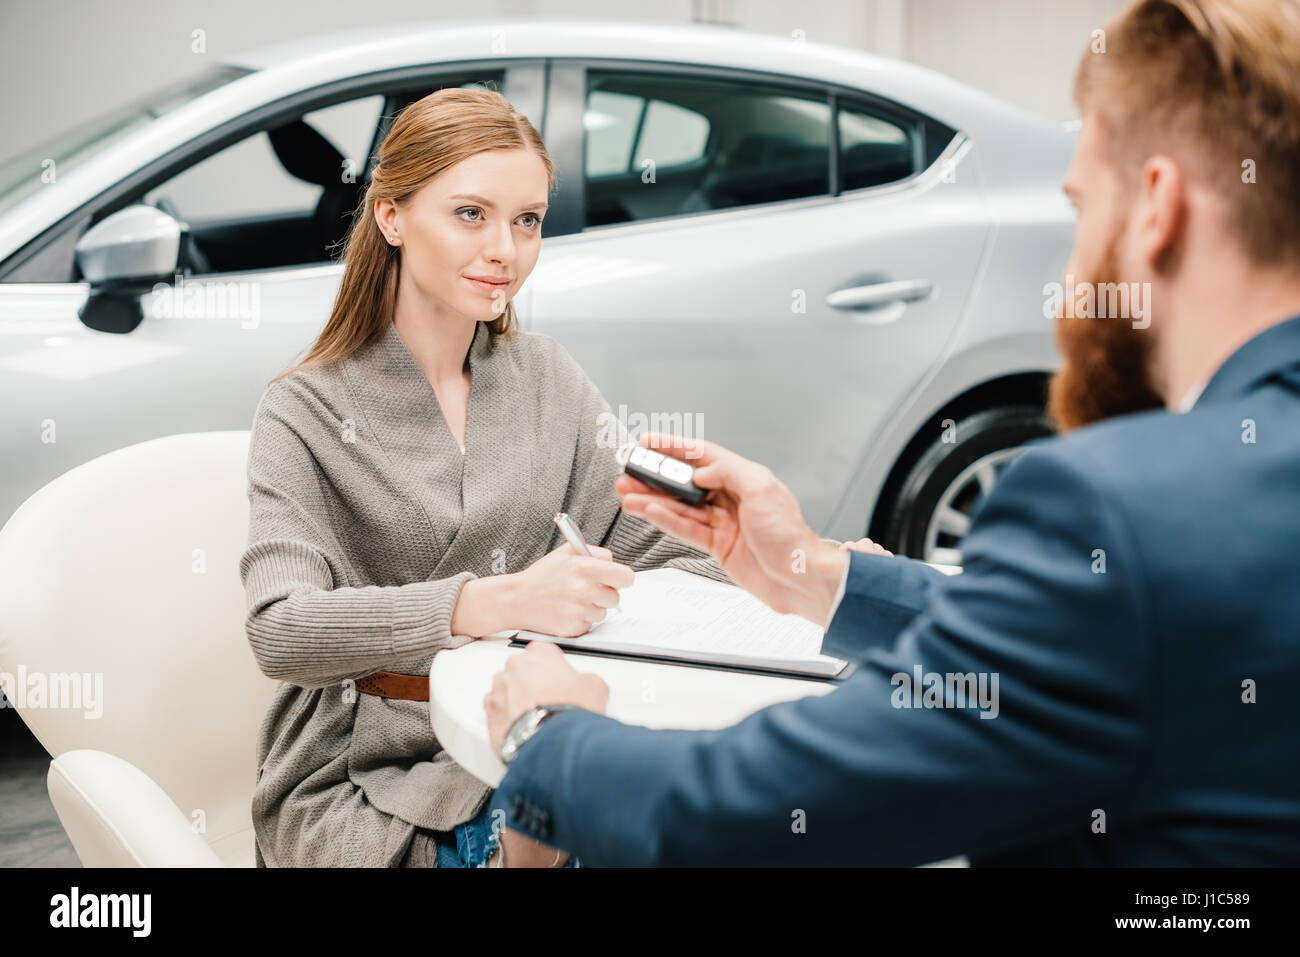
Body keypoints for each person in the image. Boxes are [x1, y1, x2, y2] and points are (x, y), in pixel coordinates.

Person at [482, 0, 1300, 866]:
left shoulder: (1117, 514)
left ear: (1154, 208)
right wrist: (819, 572)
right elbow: (1103, 638)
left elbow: (770, 808)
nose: (1069, 272)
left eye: (1080, 207)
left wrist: (549, 736)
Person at [238, 86, 732, 867]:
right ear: (391, 217)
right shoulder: (301, 409)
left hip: (529, 731)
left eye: (527, 220)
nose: (505, 248)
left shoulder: (546, 378)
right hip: (365, 779)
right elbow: (279, 627)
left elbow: (662, 551)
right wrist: (493, 599)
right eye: (471, 213)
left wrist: (802, 575)